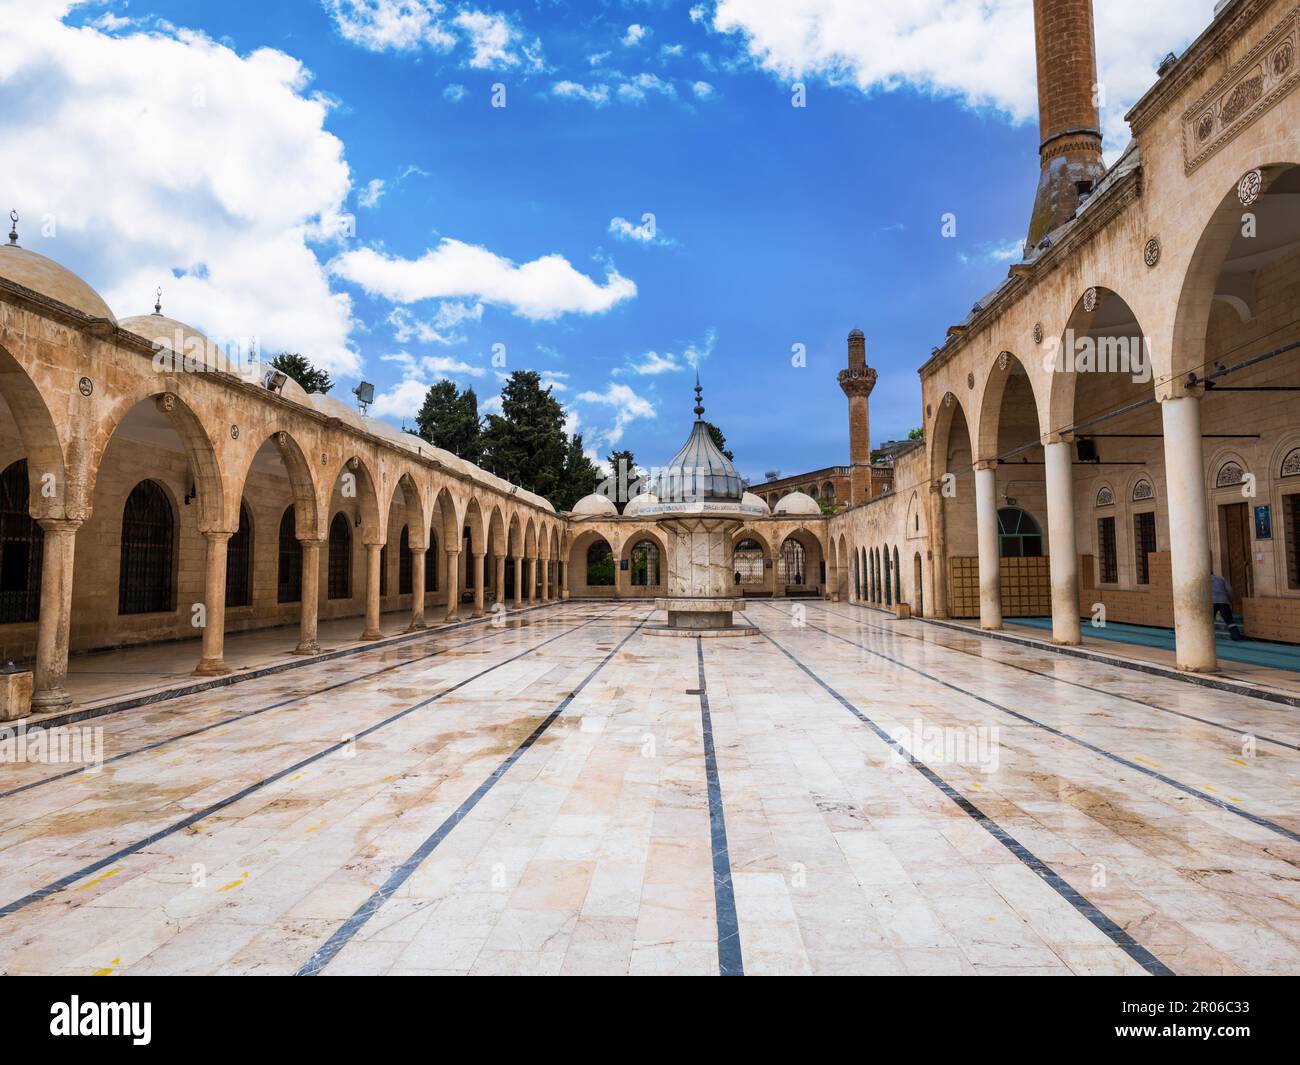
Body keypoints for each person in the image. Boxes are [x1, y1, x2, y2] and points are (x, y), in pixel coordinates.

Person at [1211, 572, 1244, 641]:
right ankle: (1236, 636)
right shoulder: (1221, 578)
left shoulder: (1205, 581)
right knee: (1229, 620)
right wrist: (1229, 599)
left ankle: (1208, 637)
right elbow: (1229, 589)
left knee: (1209, 620)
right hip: (1224, 601)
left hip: (1212, 602)